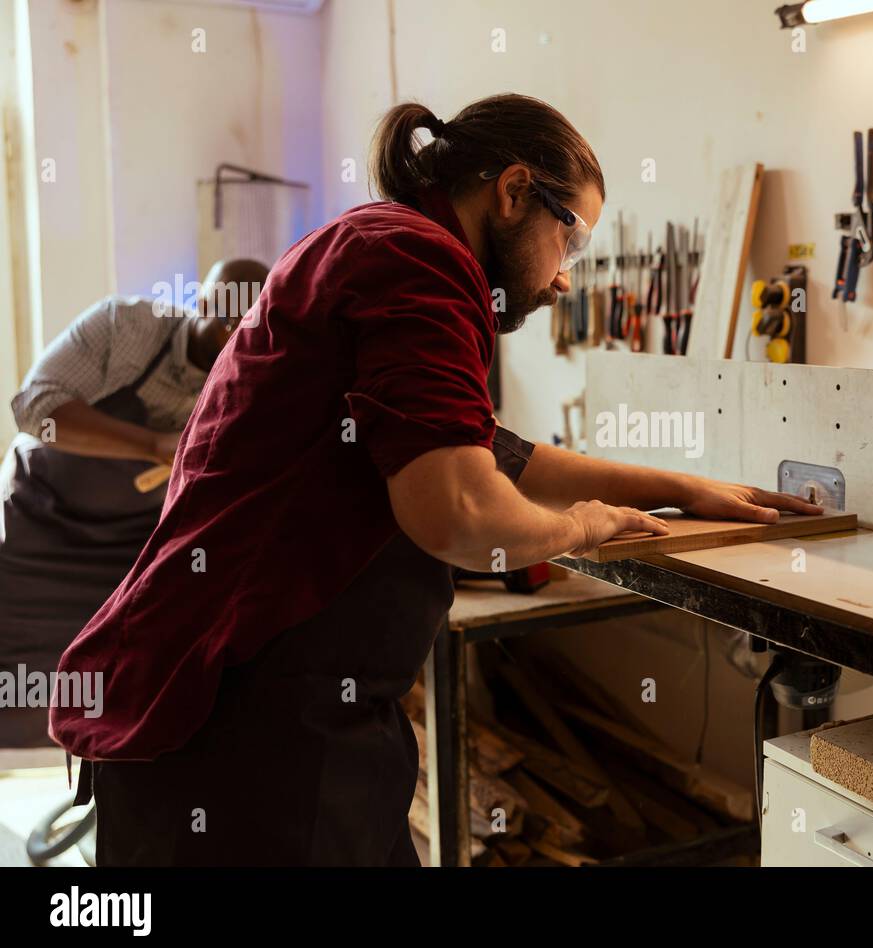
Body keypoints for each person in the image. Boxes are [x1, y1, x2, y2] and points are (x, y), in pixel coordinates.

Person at [51, 94, 820, 865]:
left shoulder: (384, 246)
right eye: (571, 240)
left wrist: (679, 489)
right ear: (514, 191)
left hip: (280, 706)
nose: (563, 281)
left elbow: (492, 450)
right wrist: (584, 527)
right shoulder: (419, 262)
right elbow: (457, 513)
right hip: (239, 724)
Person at [0, 260, 267, 748]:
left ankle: (108, 775)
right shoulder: (127, 328)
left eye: (248, 328)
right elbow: (34, 409)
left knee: (108, 674)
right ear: (199, 304)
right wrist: (152, 445)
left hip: (123, 548)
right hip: (34, 520)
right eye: (226, 323)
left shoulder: (252, 376)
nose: (235, 340)